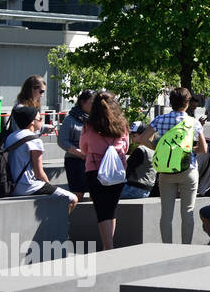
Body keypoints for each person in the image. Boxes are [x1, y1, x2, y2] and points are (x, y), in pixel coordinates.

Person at [139, 87, 208, 245]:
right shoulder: (193, 122)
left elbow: (142, 139)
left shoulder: (160, 119)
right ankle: (186, 247)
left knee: (166, 214)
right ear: (187, 103)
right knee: (188, 212)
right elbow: (203, 149)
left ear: (170, 102)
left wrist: (159, 149)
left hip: (166, 170)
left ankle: (167, 246)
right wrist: (189, 149)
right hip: (188, 169)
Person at [79, 92, 129, 251]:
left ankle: (108, 247)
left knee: (102, 211)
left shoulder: (88, 125)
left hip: (95, 170)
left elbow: (84, 148)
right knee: (111, 209)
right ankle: (109, 245)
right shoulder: (122, 124)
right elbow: (126, 147)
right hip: (117, 171)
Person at [4, 105, 78, 209]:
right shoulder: (34, 141)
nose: (42, 122)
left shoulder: (11, 137)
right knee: (72, 198)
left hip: (11, 186)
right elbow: (39, 173)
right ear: (32, 122)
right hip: (28, 186)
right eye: (40, 118)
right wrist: (50, 186)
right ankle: (59, 224)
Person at [55, 89, 95, 196]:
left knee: (95, 194)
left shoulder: (95, 119)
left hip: (93, 161)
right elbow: (62, 141)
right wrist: (79, 153)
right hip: (75, 161)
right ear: (82, 102)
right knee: (78, 194)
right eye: (92, 102)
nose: (94, 105)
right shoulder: (70, 119)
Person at [120, 126, 157, 200]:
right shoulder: (153, 149)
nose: (132, 139)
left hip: (135, 188)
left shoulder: (140, 150)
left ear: (143, 135)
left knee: (104, 194)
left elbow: (127, 169)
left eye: (134, 136)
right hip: (147, 189)